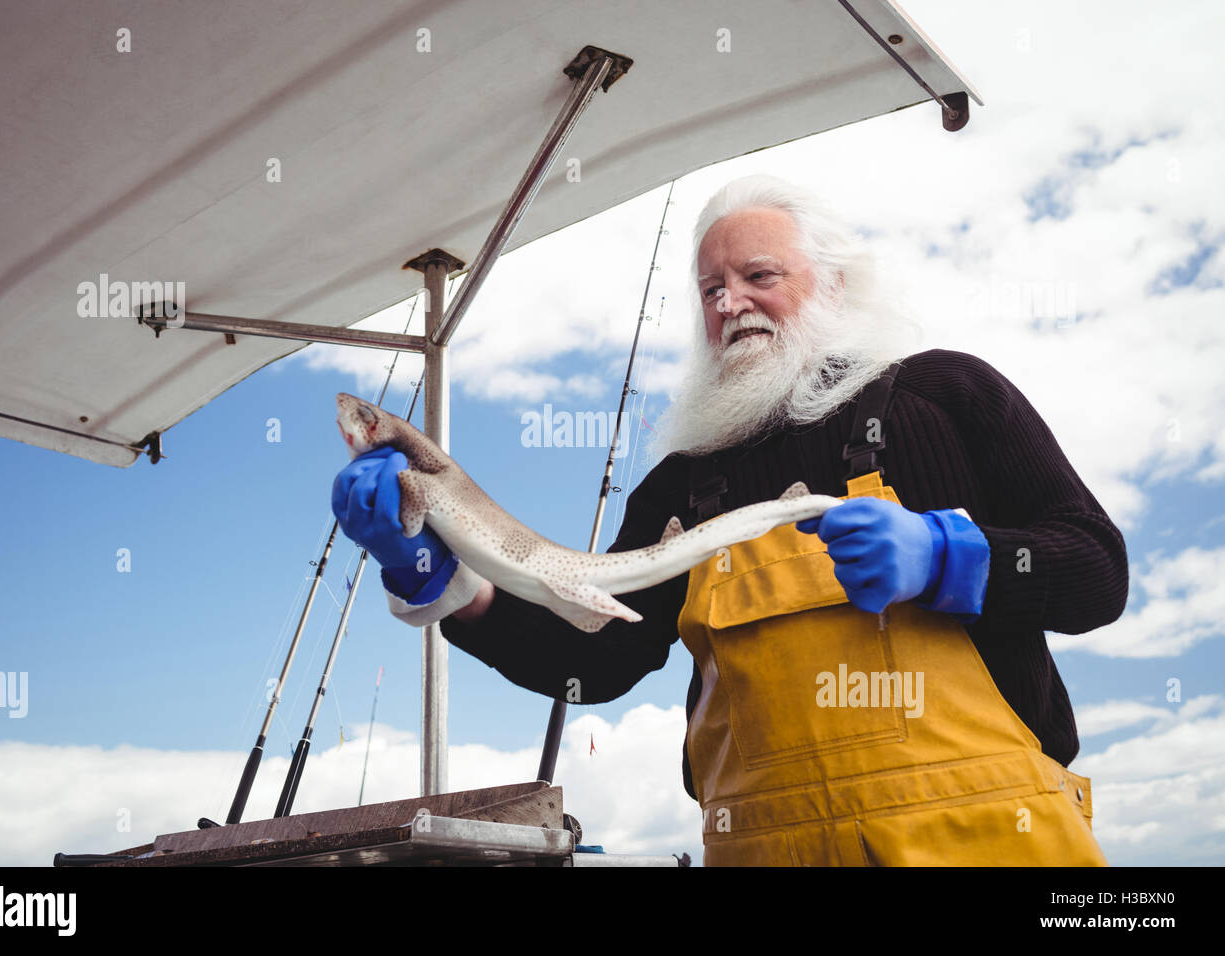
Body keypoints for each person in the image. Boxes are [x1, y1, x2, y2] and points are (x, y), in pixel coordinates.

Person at [331, 174, 1128, 866]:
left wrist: (948, 556)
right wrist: (435, 575)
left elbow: (1097, 571)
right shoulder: (679, 488)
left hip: (984, 835)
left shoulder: (948, 395)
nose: (730, 302)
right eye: (711, 289)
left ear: (835, 285)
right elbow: (596, 661)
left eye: (758, 275)